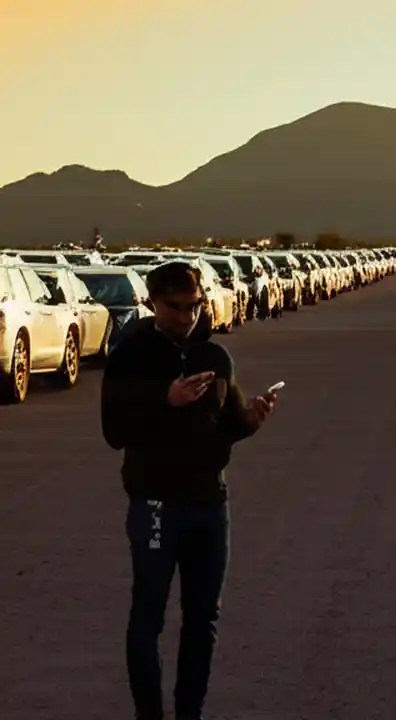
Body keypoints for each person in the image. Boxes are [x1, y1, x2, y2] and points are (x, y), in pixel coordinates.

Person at [101, 262, 278, 720]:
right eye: (174, 308)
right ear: (152, 303)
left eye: (193, 306)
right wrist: (165, 400)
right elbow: (114, 431)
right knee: (149, 618)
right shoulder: (130, 356)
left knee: (203, 621)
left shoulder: (215, 357)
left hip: (209, 508)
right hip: (156, 507)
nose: (186, 317)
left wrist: (251, 421)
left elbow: (228, 425)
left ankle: (189, 712)